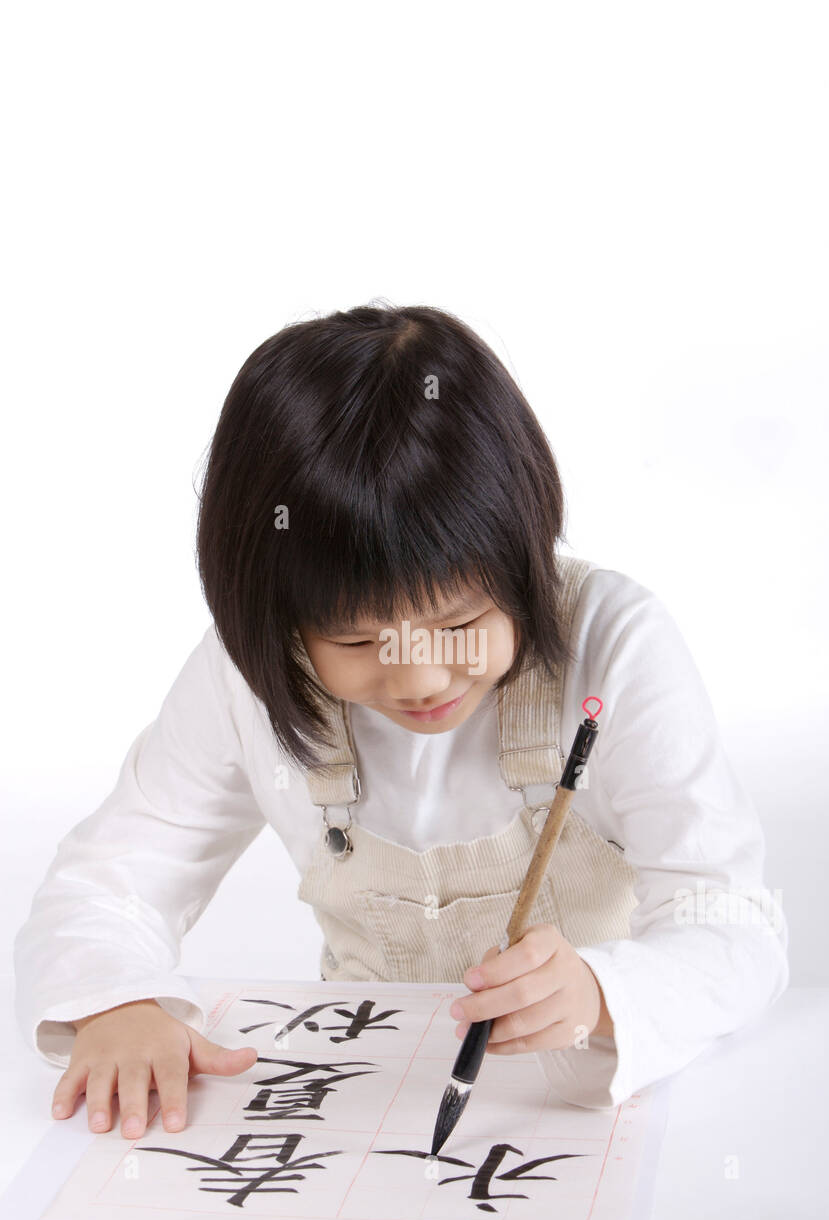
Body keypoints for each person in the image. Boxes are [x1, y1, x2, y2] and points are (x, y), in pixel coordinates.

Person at [14, 303, 788, 1141]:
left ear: (524, 550)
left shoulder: (615, 642)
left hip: (589, 1107)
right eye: (355, 639)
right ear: (268, 612)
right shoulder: (249, 671)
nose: (420, 676)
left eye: (458, 625)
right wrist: (117, 1001)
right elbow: (109, 882)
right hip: (364, 1114)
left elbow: (733, 923)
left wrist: (608, 993)